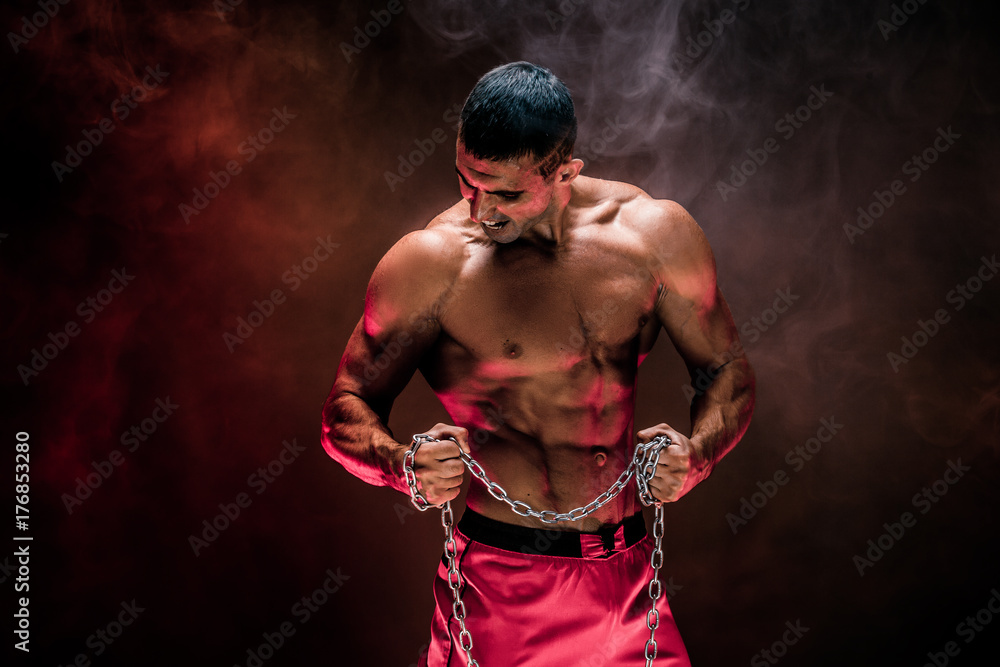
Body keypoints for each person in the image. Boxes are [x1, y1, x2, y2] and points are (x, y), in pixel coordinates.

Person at [321, 61, 755, 666]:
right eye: (468, 183)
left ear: (565, 173)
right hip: (502, 586)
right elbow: (344, 408)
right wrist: (402, 465)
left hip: (632, 581)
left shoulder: (654, 238)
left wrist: (700, 456)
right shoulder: (430, 264)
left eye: (505, 193)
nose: (480, 211)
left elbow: (729, 373)